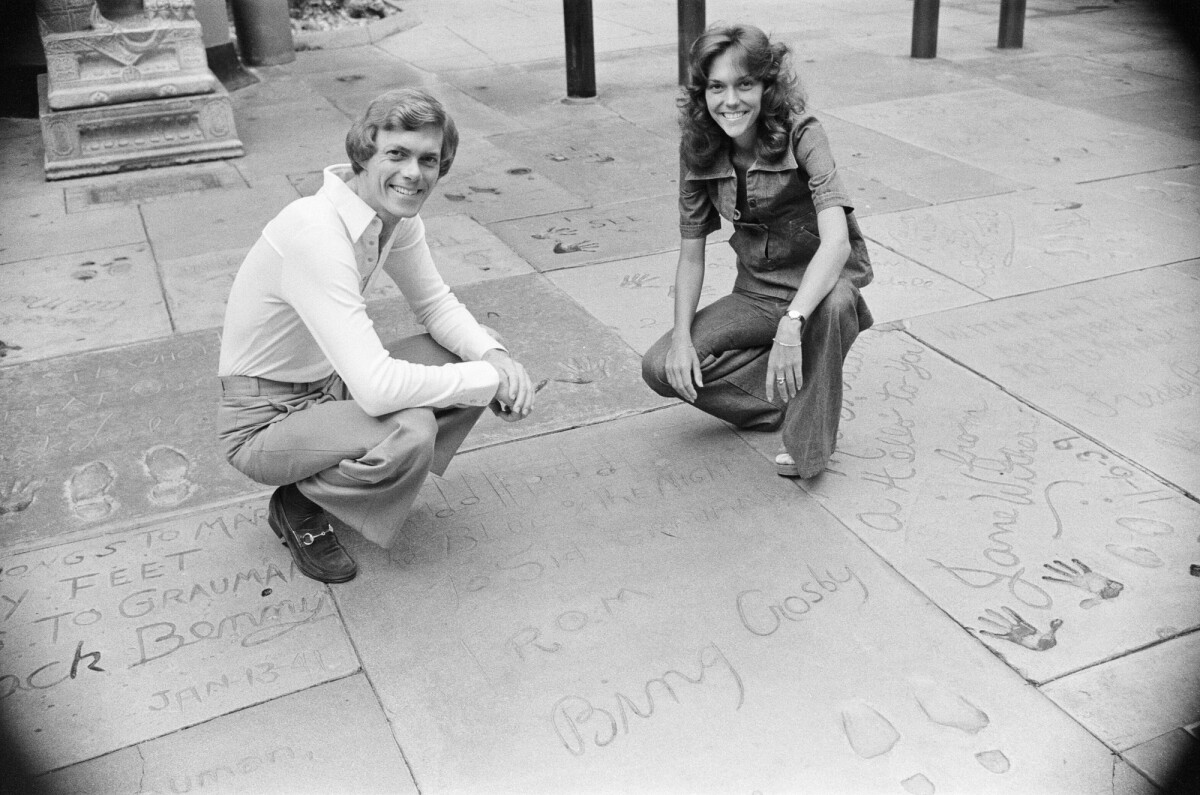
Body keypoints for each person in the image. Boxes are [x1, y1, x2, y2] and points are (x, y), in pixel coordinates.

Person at [217, 88, 536, 584]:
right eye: (397, 154)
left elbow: (435, 304)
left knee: (474, 345)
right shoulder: (316, 232)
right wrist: (488, 379)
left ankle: (332, 480)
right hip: (262, 422)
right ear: (364, 153)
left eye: (428, 160)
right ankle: (298, 503)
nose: (414, 173)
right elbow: (376, 387)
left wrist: (494, 357)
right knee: (410, 428)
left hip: (327, 386)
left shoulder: (393, 217)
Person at [642, 23, 873, 479]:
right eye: (717, 87)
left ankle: (810, 442)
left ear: (767, 86)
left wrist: (793, 324)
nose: (731, 101)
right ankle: (775, 401)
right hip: (757, 293)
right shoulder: (699, 150)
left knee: (834, 305)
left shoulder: (803, 133)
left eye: (744, 84)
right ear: (702, 93)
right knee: (661, 366)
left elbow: (837, 242)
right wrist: (683, 340)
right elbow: (691, 254)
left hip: (823, 287)